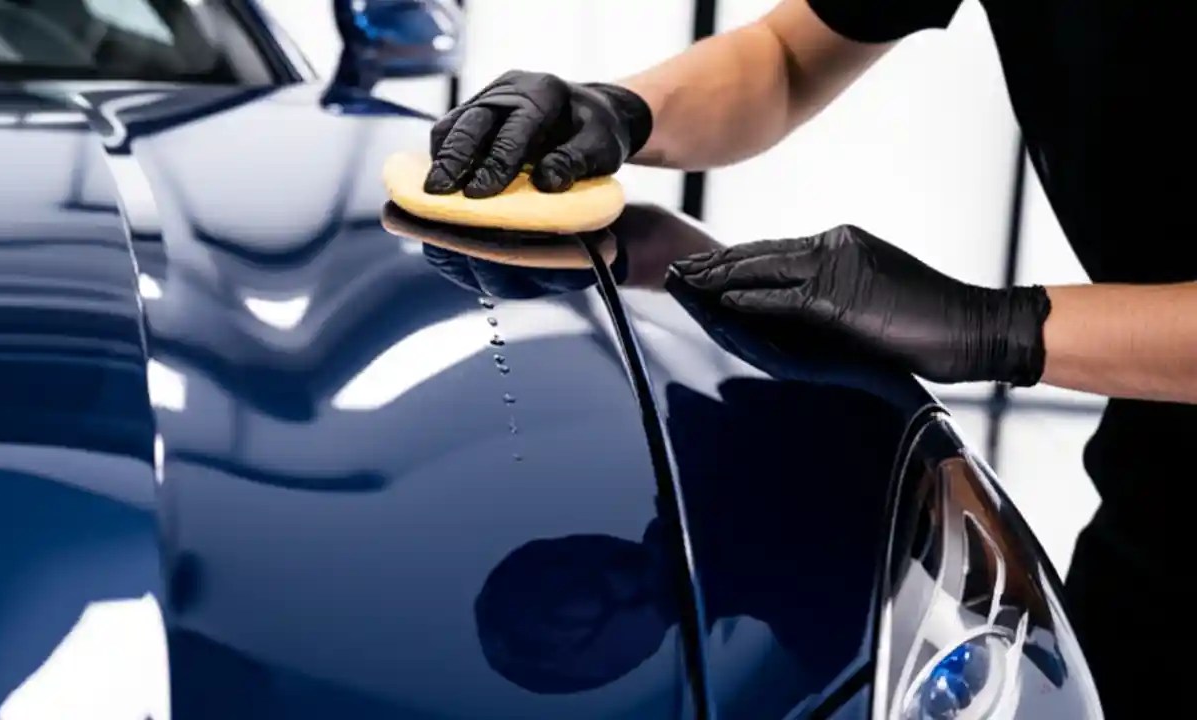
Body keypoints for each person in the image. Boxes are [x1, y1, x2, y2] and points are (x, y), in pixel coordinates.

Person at [423, 1, 1193, 715]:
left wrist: (996, 328)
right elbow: (788, 57)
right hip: (1156, 500)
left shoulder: (809, 642)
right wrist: (619, 112)